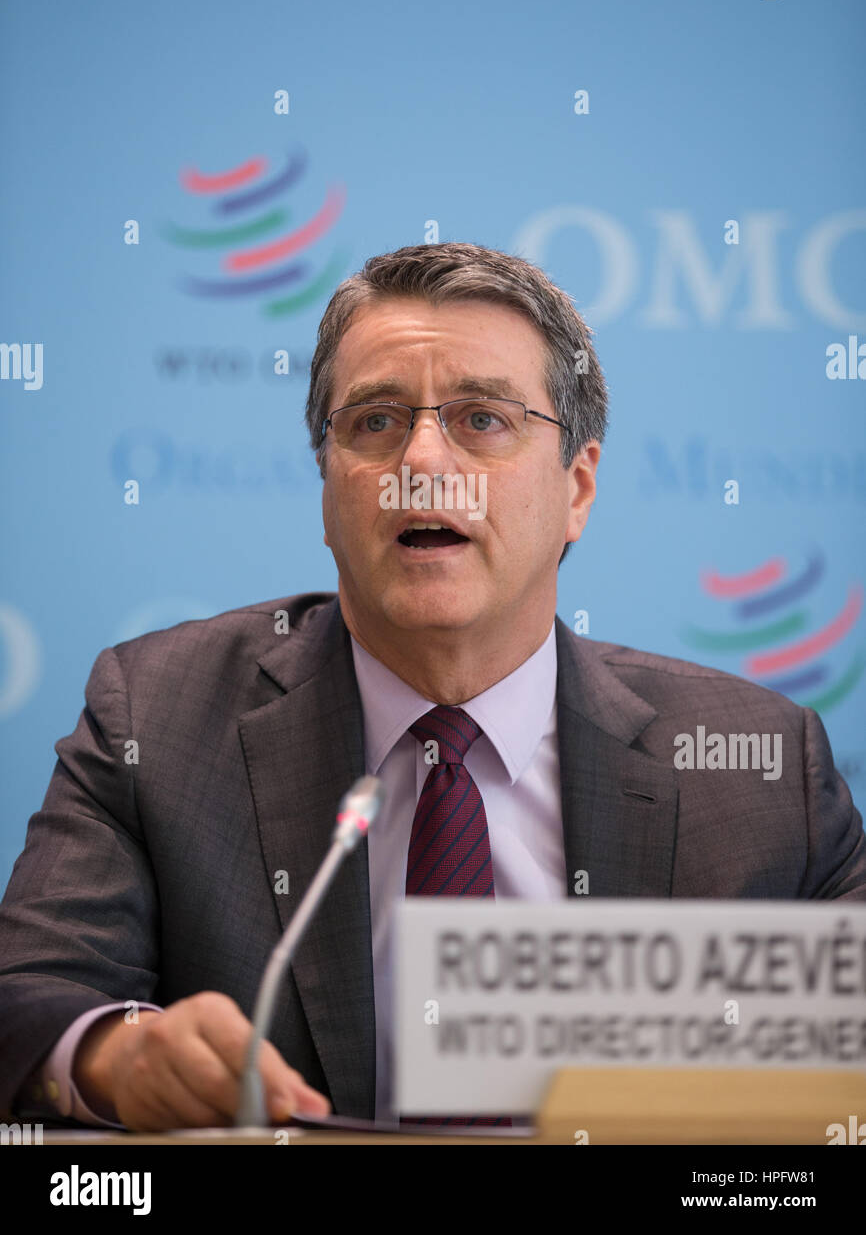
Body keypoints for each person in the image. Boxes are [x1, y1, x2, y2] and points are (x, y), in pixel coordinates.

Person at [1, 242, 864, 1132]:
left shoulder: (760, 771)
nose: (420, 461)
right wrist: (115, 1053)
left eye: (482, 419)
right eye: (374, 421)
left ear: (577, 488)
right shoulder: (157, 716)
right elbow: (29, 989)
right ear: (328, 488)